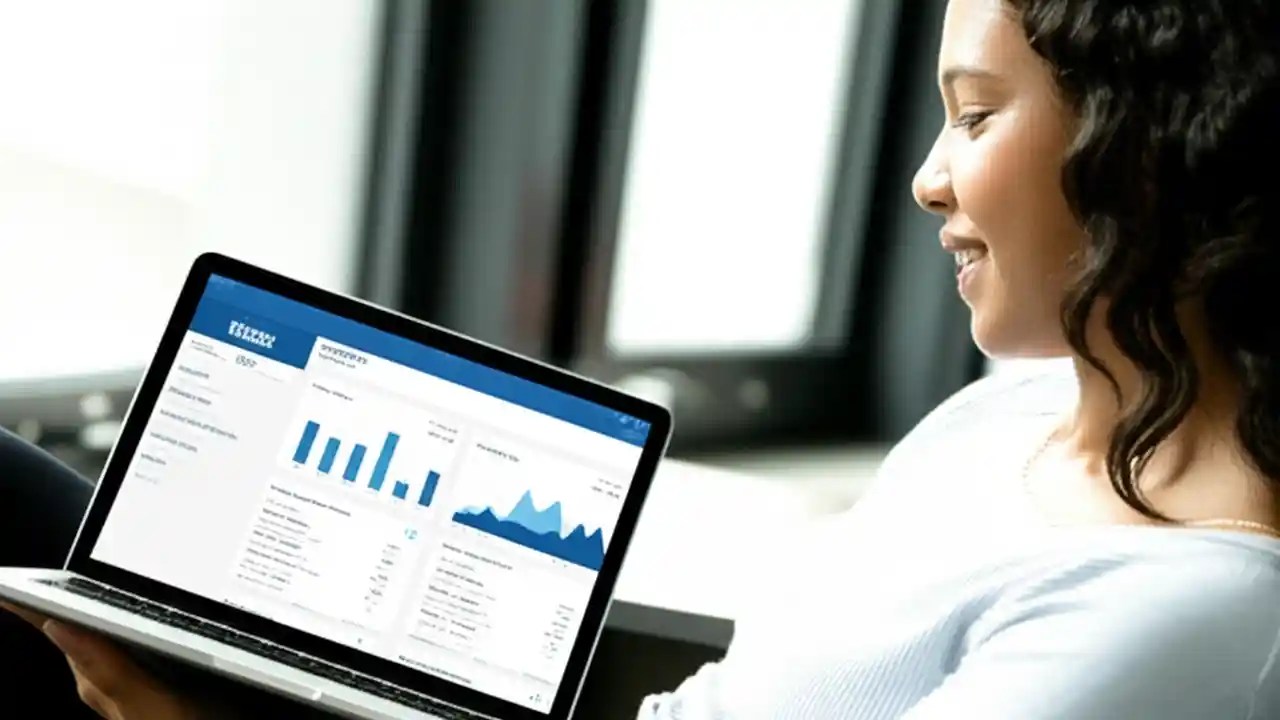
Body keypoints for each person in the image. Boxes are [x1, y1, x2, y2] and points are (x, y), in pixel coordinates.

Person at [5, 0, 1280, 716]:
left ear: (1141, 151)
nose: (925, 178)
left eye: (976, 115)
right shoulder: (1001, 424)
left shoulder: (1181, 612)